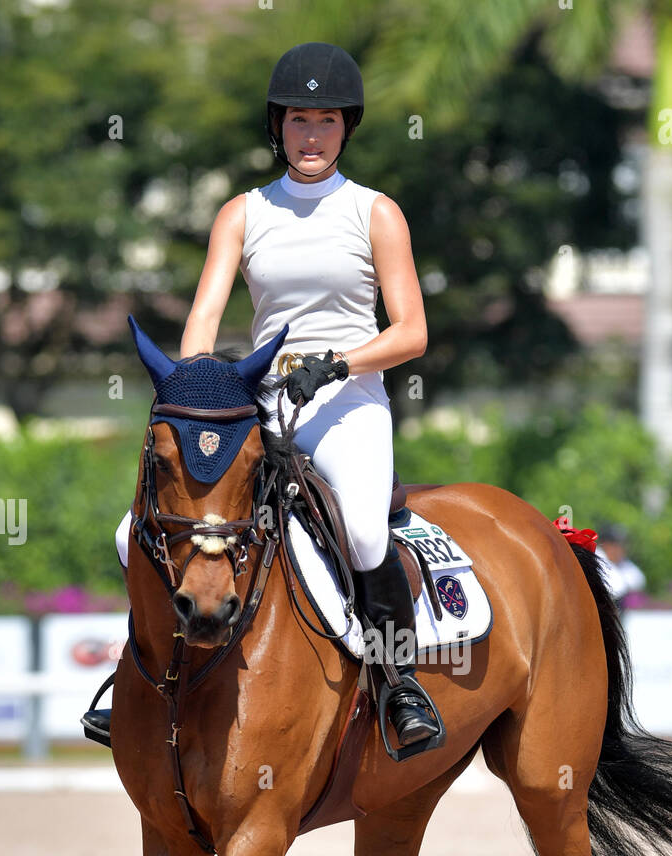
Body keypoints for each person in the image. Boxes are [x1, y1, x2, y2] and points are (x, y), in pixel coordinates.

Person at [84, 41, 442, 754]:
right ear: (277, 127)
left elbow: (411, 333)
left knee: (366, 531)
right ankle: (142, 673)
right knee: (136, 533)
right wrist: (195, 386)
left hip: (348, 406)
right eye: (299, 121)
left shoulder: (375, 213)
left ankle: (397, 682)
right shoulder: (243, 213)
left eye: (327, 122)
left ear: (346, 129)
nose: (312, 137)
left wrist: (334, 366)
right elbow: (205, 318)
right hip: (259, 404)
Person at [595, 524, 646, 608]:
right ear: (606, 544)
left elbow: (639, 580)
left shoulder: (622, 562)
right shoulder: (596, 558)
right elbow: (615, 589)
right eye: (617, 544)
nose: (622, 548)